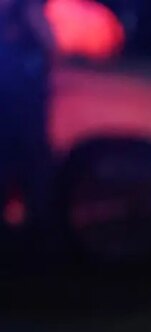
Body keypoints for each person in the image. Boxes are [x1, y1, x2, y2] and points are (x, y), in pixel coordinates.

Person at [0, 0, 55, 238]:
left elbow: (50, 47)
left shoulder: (28, 14)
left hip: (23, 110)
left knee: (29, 166)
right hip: (18, 110)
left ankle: (30, 226)